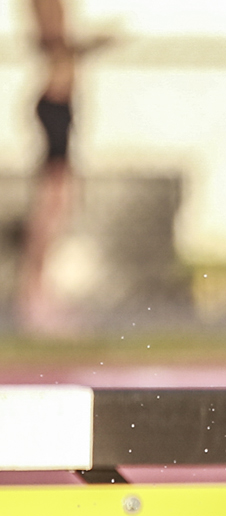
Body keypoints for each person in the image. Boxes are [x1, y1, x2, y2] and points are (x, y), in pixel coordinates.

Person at [17, 0, 111, 334]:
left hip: (58, 106)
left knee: (56, 213)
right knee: (48, 216)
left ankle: (40, 295)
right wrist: (96, 43)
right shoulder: (48, 10)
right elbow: (53, 45)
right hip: (54, 105)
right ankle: (34, 299)